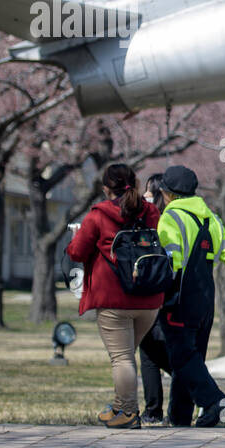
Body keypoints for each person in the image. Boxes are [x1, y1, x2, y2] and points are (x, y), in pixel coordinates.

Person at [66, 164, 164, 429]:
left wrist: (76, 237)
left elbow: (77, 252)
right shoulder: (151, 211)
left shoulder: (99, 214)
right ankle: (120, 407)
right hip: (149, 298)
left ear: (106, 188)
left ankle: (129, 413)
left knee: (121, 359)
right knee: (126, 356)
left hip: (114, 299)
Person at [156, 165, 225, 427]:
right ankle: (180, 416)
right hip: (205, 298)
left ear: (168, 194)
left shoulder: (170, 217)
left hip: (180, 297)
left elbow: (172, 260)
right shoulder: (211, 218)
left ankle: (215, 401)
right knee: (192, 356)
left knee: (181, 356)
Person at [138, 174, 191, 426]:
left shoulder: (162, 220)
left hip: (162, 294)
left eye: (148, 192)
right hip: (179, 294)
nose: (144, 196)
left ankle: (197, 390)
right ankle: (160, 407)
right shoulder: (179, 217)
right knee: (155, 350)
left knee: (153, 352)